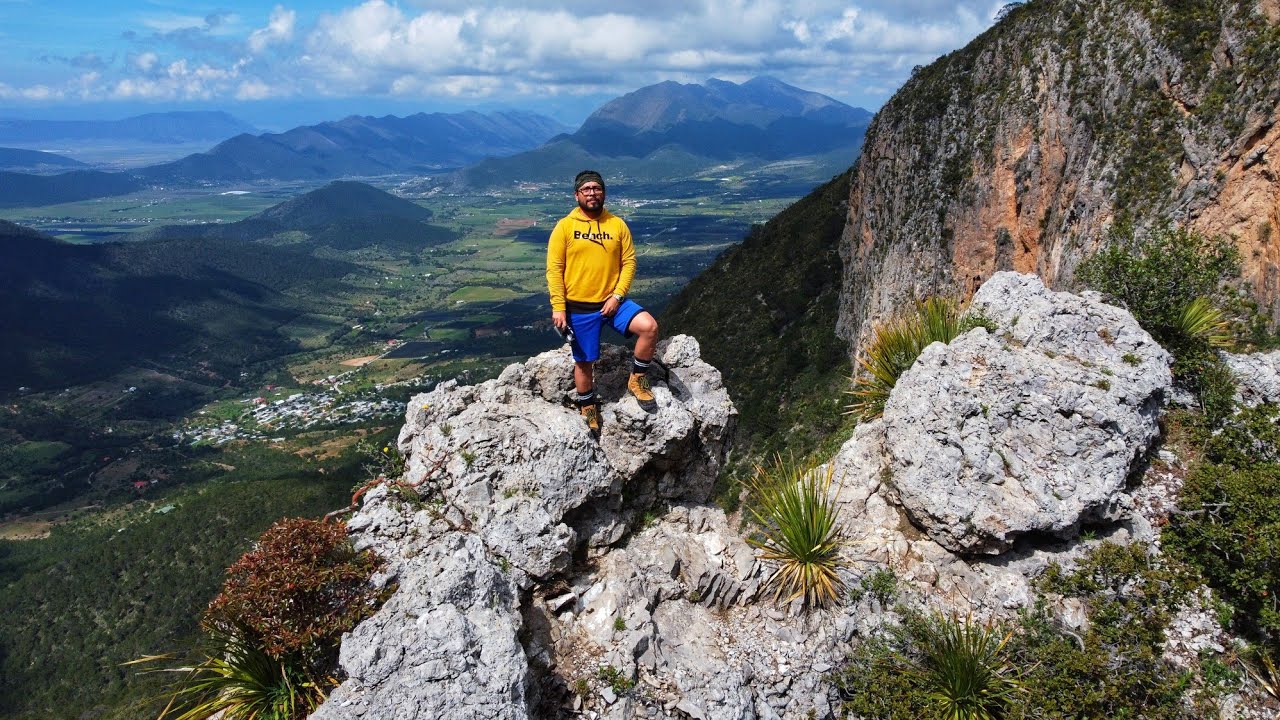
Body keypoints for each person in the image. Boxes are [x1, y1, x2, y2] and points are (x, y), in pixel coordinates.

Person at [547, 169, 660, 434]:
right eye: (586, 189)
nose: (592, 193)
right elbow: (554, 268)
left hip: (613, 303)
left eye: (596, 188)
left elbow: (629, 261)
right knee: (584, 362)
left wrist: (618, 295)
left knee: (649, 327)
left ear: (603, 193)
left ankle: (637, 379)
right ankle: (588, 406)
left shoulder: (617, 224)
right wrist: (558, 306)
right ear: (577, 195)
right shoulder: (565, 226)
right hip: (578, 307)